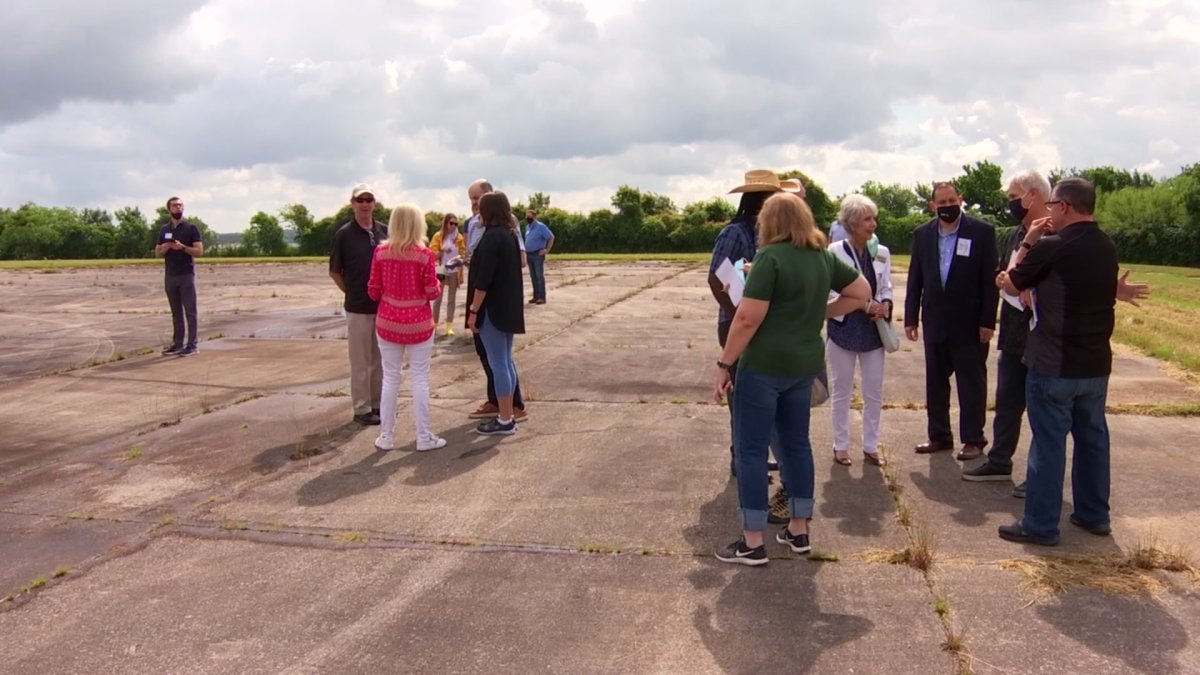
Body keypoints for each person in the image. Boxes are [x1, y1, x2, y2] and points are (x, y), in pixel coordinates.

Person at [713, 192, 870, 565]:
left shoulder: (769, 257)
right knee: (797, 444)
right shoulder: (822, 256)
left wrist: (724, 364)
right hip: (803, 366)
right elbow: (862, 292)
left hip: (764, 365)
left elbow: (748, 319)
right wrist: (823, 310)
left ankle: (752, 540)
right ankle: (799, 529)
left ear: (770, 223)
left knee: (751, 450)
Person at [995, 177, 1119, 545]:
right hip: (1096, 363)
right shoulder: (1107, 246)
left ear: (1063, 206)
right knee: (1093, 440)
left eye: (1052, 206)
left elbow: (1013, 284)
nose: (1048, 212)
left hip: (1054, 362)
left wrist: (1029, 241)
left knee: (1048, 444)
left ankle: (1040, 523)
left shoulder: (1053, 245)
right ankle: (1095, 514)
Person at [962, 170, 1050, 494]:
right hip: (1013, 332)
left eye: (1015, 197)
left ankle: (1039, 475)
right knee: (1007, 402)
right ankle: (1000, 460)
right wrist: (1004, 280)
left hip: (1042, 338)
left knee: (1042, 410)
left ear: (1033, 195)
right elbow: (1007, 273)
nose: (1011, 203)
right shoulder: (1014, 235)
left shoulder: (1054, 233)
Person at [904, 182, 999, 461]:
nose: (947, 206)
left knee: (971, 384)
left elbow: (988, 281)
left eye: (951, 200)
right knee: (935, 383)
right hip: (935, 322)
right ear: (933, 205)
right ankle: (939, 436)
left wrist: (987, 321)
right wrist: (911, 317)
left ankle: (973, 439)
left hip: (970, 325)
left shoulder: (981, 232)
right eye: (941, 202)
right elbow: (915, 278)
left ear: (961, 199)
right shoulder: (922, 234)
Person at [367, 204, 445, 452]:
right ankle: (423, 436)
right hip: (418, 324)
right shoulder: (424, 255)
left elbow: (373, 290)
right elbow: (432, 291)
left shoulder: (380, 252)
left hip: (388, 322)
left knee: (390, 378)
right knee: (419, 378)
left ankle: (386, 436)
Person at [827, 194, 893, 467]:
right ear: (853, 223)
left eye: (874, 218)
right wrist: (865, 305)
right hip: (843, 328)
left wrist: (886, 304)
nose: (873, 224)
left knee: (873, 391)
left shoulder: (882, 252)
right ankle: (841, 445)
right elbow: (830, 291)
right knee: (841, 390)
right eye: (867, 219)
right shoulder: (834, 252)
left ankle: (870, 445)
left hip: (873, 331)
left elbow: (886, 284)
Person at [463, 179, 527, 421]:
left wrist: (473, 310)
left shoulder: (491, 237)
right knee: (503, 360)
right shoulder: (507, 233)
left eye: (478, 201)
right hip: (506, 304)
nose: (475, 206)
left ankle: (507, 416)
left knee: (499, 362)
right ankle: (505, 410)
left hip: (491, 306)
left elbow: (483, 280)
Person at [329, 183, 386, 426]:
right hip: (358, 308)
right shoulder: (344, 234)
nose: (364, 204)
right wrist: (351, 292)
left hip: (384, 307)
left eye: (368, 199)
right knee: (361, 360)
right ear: (352, 203)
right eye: (360, 200)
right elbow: (335, 271)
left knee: (381, 360)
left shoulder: (385, 232)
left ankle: (378, 404)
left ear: (374, 203)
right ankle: (362, 408)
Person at [154, 196, 204, 357]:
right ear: (169, 209)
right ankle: (177, 344)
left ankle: (192, 345)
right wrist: (164, 248)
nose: (178, 208)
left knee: (190, 311)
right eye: (175, 206)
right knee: (176, 312)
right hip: (170, 275)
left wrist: (182, 247)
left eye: (181, 205)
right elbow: (157, 253)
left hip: (186, 275)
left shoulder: (191, 228)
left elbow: (199, 251)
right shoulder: (164, 229)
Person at [430, 213, 467, 337]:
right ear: (446, 223)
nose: (454, 226)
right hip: (441, 269)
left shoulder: (459, 237)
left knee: (452, 299)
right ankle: (434, 324)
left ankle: (449, 326)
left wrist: (461, 274)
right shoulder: (438, 236)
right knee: (438, 299)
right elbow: (432, 254)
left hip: (454, 270)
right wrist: (442, 250)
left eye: (456, 224)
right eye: (451, 223)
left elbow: (462, 255)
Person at [524, 209, 555, 305]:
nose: (528, 218)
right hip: (529, 254)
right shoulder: (527, 227)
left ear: (534, 217)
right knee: (533, 276)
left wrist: (546, 250)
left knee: (539, 276)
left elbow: (551, 237)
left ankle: (542, 297)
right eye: (526, 216)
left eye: (530, 217)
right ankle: (536, 296)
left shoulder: (541, 227)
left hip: (537, 254)